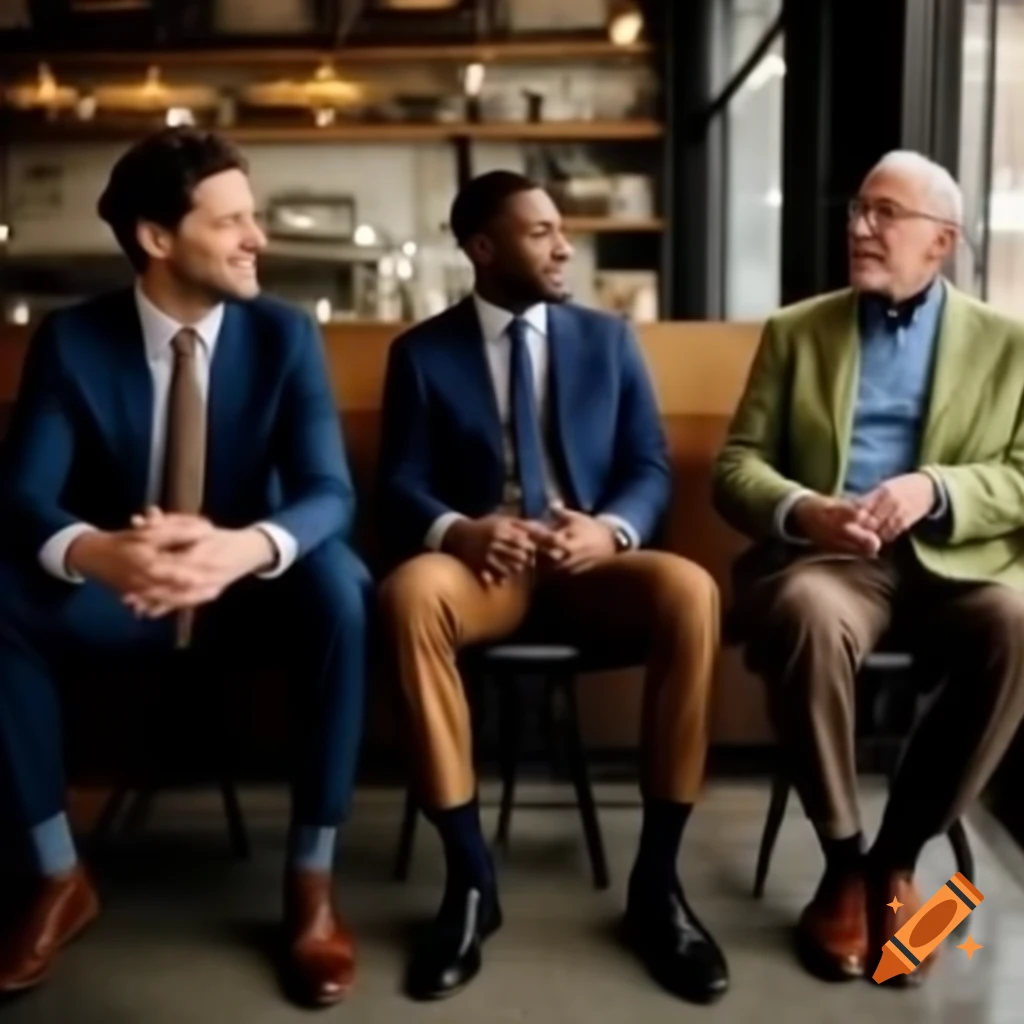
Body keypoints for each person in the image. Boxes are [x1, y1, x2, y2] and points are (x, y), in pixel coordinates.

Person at [0, 128, 370, 1007]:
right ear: (157, 238)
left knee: (344, 588)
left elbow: (330, 491)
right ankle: (58, 876)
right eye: (232, 220)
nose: (259, 239)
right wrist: (100, 550)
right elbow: (21, 499)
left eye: (256, 216)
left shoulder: (284, 336)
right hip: (122, 592)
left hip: (248, 593)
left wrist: (244, 548)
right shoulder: (72, 341)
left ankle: (312, 883)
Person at [377, 170, 728, 1004]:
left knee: (691, 592)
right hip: (485, 566)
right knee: (408, 595)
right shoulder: (421, 353)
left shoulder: (608, 340)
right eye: (540, 232)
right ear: (483, 247)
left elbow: (646, 465)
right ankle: (469, 884)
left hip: (593, 560)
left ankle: (657, 885)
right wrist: (460, 530)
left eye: (560, 228)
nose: (564, 244)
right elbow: (399, 481)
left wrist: (610, 530)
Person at [714, 150, 1024, 985]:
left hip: (960, 560)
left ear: (943, 242)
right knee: (809, 614)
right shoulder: (795, 331)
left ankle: (899, 857)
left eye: (885, 214)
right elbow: (735, 467)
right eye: (857, 210)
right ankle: (845, 862)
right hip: (834, 560)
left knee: (1019, 625)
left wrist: (938, 488)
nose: (859, 228)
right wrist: (806, 509)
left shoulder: (1013, 344)